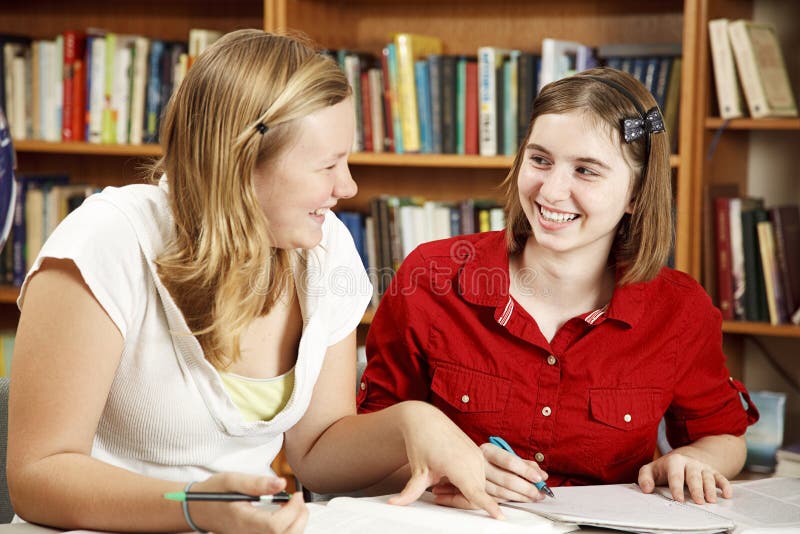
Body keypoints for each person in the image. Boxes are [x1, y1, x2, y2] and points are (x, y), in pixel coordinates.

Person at [7, 29, 502, 533]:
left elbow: (315, 452)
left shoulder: (324, 249)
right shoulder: (107, 241)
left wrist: (413, 426)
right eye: (327, 165)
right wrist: (194, 506)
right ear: (240, 165)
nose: (347, 186)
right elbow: (38, 475)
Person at [357, 67, 759, 508]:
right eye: (540, 160)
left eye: (586, 170)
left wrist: (694, 459)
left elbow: (724, 437)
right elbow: (365, 447)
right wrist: (441, 473)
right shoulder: (431, 277)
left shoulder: (680, 309)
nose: (551, 190)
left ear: (635, 195)